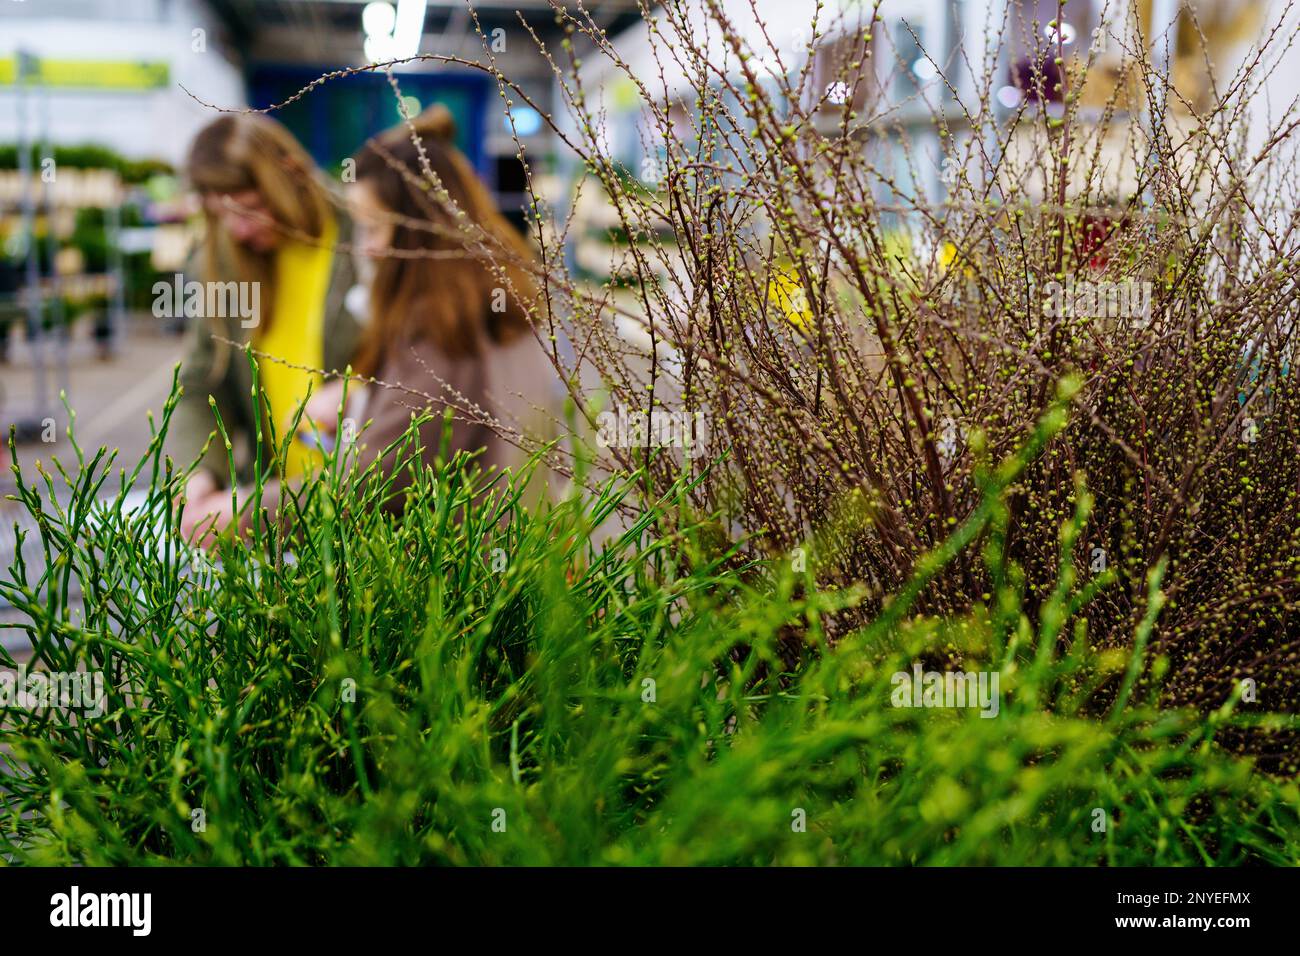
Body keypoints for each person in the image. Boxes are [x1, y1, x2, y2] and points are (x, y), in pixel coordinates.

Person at [302, 104, 561, 511]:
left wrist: (236, 515)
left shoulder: (446, 331)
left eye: (373, 227)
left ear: (417, 229)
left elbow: (372, 484)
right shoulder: (484, 300)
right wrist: (358, 395)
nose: (366, 247)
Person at [172, 114, 364, 541]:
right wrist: (199, 473)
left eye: (253, 209)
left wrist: (362, 389)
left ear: (290, 174)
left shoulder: (365, 237)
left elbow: (424, 363)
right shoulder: (222, 260)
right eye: (224, 215)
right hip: (274, 521)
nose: (240, 229)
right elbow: (203, 382)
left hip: (368, 505)